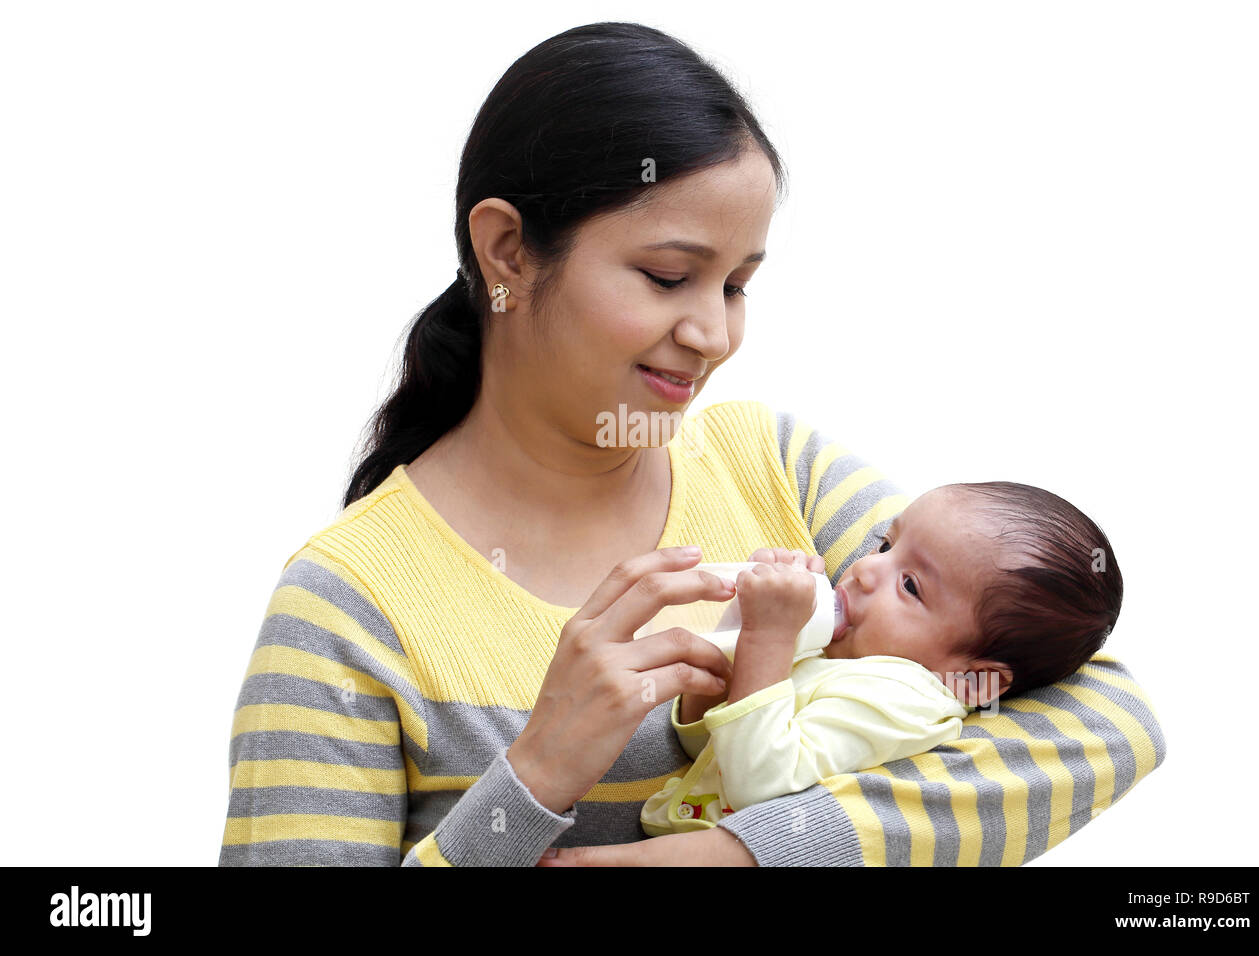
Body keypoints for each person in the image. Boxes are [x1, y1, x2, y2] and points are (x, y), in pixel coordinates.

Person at [220, 22, 1165, 867]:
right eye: (669, 276)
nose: (712, 334)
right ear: (508, 251)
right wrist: (534, 777)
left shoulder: (773, 468)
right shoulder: (345, 609)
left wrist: (742, 855)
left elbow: (1103, 720)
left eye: (737, 285)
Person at [640, 481, 1123, 834]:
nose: (867, 568)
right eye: (886, 545)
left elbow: (758, 786)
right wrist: (745, 623)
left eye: (910, 585)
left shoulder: (902, 699)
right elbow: (707, 746)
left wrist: (768, 637)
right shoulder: (844, 655)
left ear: (974, 678)